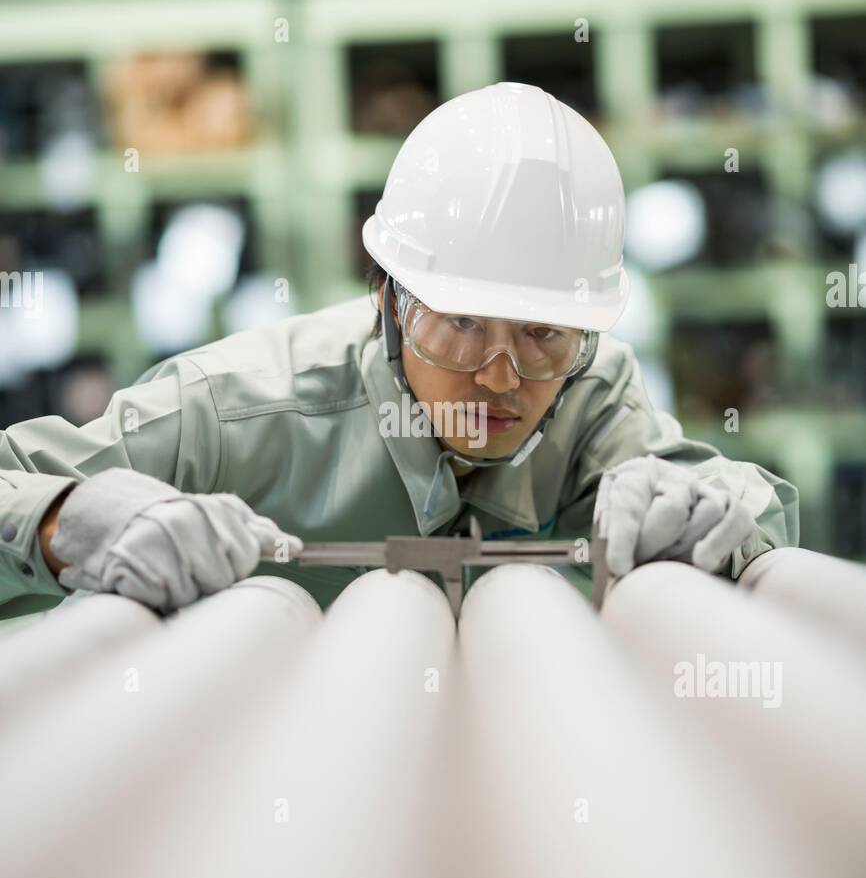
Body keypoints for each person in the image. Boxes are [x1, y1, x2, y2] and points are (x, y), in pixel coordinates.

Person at [0, 82, 798, 621]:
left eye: (542, 334)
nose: (501, 373)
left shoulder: (590, 398)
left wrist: (722, 515)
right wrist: (61, 522)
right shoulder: (233, 410)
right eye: (460, 324)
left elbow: (750, 516)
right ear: (386, 295)